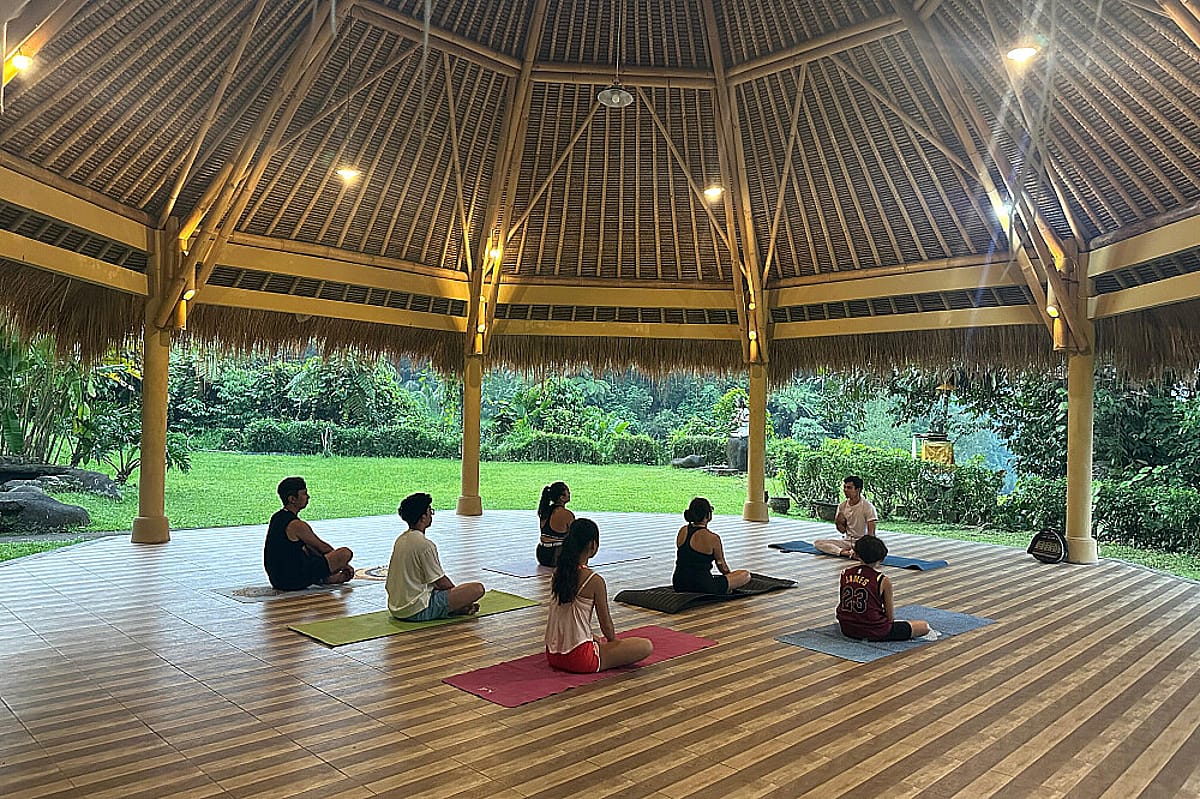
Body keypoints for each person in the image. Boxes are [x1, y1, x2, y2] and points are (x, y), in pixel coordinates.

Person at [545, 518, 653, 673]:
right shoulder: (594, 580)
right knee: (645, 646)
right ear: (592, 545)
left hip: (553, 655)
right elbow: (606, 626)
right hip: (580, 659)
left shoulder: (558, 574)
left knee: (593, 636)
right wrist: (614, 645)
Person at [387, 492, 485, 620]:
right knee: (477, 589)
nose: (431, 515)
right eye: (430, 511)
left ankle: (453, 610)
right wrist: (460, 600)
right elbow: (440, 581)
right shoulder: (425, 545)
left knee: (444, 593)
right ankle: (457, 609)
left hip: (396, 608)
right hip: (416, 610)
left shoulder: (401, 540)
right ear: (423, 517)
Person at [837, 536, 936, 641]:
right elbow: (890, 617)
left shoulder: (845, 573)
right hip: (875, 630)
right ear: (882, 557)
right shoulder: (882, 580)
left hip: (847, 628)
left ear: (856, 554)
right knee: (924, 626)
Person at [264, 477, 354, 590]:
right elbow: (323, 547)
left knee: (308, 549)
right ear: (292, 499)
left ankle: (324, 578)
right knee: (345, 553)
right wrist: (343, 564)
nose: (308, 497)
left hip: (277, 579)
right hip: (292, 579)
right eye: (304, 494)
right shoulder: (297, 525)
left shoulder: (277, 517)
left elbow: (310, 547)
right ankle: (322, 577)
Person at [672, 497, 751, 594]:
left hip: (679, 584)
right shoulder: (713, 538)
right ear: (708, 515)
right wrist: (730, 580)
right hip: (703, 586)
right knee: (745, 575)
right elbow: (721, 565)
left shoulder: (682, 531)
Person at [814, 475, 878, 557]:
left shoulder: (868, 507)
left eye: (849, 488)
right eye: (844, 487)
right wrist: (838, 522)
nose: (845, 490)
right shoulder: (842, 506)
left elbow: (871, 534)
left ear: (858, 490)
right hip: (847, 541)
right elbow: (842, 531)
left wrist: (867, 547)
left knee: (871, 551)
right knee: (818, 543)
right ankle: (846, 553)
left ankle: (855, 553)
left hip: (863, 543)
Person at [535, 481, 576, 567]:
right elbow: (574, 537)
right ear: (561, 497)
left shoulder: (545, 511)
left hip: (541, 554)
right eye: (567, 491)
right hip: (555, 555)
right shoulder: (567, 514)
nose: (570, 493)